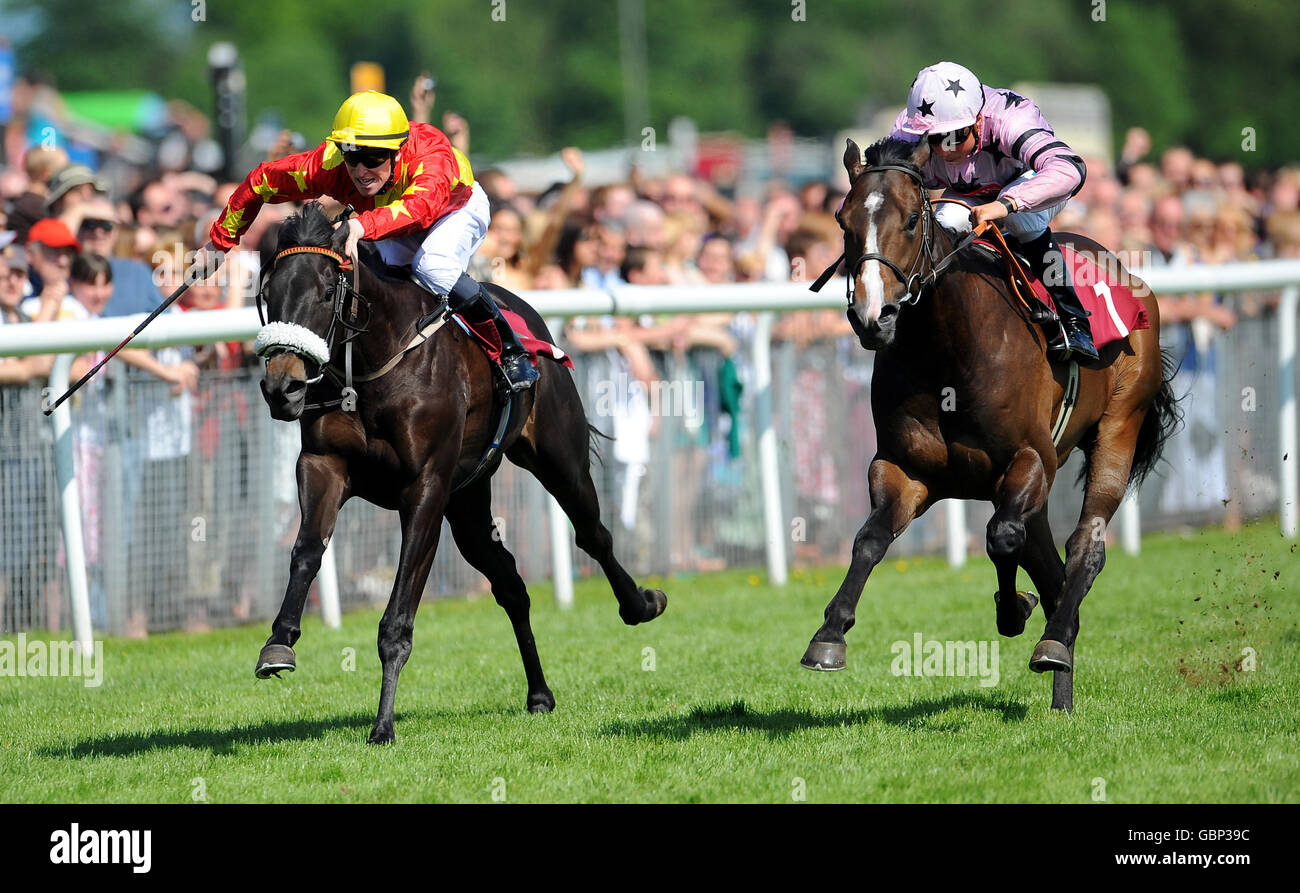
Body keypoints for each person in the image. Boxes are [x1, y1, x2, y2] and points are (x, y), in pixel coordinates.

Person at [197, 90, 537, 390]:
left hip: (454, 209)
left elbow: (419, 208)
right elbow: (260, 183)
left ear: (398, 152)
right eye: (352, 155)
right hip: (387, 216)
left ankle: (509, 348)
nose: (361, 171)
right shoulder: (327, 165)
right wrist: (218, 244)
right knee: (380, 281)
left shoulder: (431, 155)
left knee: (432, 267)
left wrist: (362, 226)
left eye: (373, 158)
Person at [889, 61, 1098, 362]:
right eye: (934, 139)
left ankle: (1075, 321)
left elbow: (1071, 169)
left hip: (1031, 188)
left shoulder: (1010, 120)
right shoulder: (912, 125)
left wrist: (1005, 204)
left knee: (1020, 219)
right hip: (971, 196)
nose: (945, 149)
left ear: (977, 121)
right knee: (944, 223)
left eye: (956, 136)